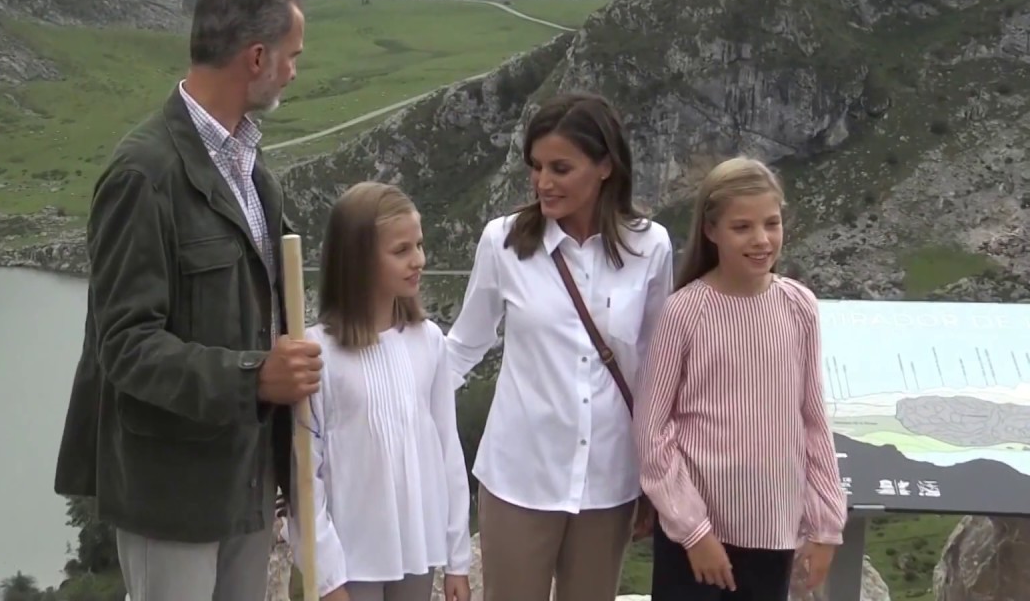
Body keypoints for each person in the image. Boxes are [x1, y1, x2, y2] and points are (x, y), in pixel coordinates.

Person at [52, 0, 324, 601]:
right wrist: (255, 377)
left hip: (248, 479)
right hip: (172, 494)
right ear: (256, 56)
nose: (293, 71)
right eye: (291, 57)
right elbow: (125, 346)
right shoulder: (142, 174)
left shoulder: (255, 173)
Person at [444, 92, 674, 601]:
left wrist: (657, 476)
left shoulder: (650, 246)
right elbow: (464, 345)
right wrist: (392, 385)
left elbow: (656, 365)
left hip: (610, 479)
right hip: (519, 475)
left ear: (605, 167)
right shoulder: (502, 242)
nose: (543, 182)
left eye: (560, 168)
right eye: (536, 167)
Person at [632, 156, 847, 601]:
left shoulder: (798, 306)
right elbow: (652, 431)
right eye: (742, 227)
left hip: (773, 531)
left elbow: (812, 421)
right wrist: (693, 531)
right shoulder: (685, 312)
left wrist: (827, 524)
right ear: (711, 231)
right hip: (696, 540)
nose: (762, 240)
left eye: (772, 223)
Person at [288, 181, 472, 601]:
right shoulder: (318, 353)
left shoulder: (428, 342)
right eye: (401, 250)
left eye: (419, 245)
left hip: (417, 552)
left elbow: (447, 450)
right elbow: (304, 478)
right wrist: (326, 576)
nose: (419, 261)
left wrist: (457, 557)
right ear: (359, 260)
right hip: (351, 563)